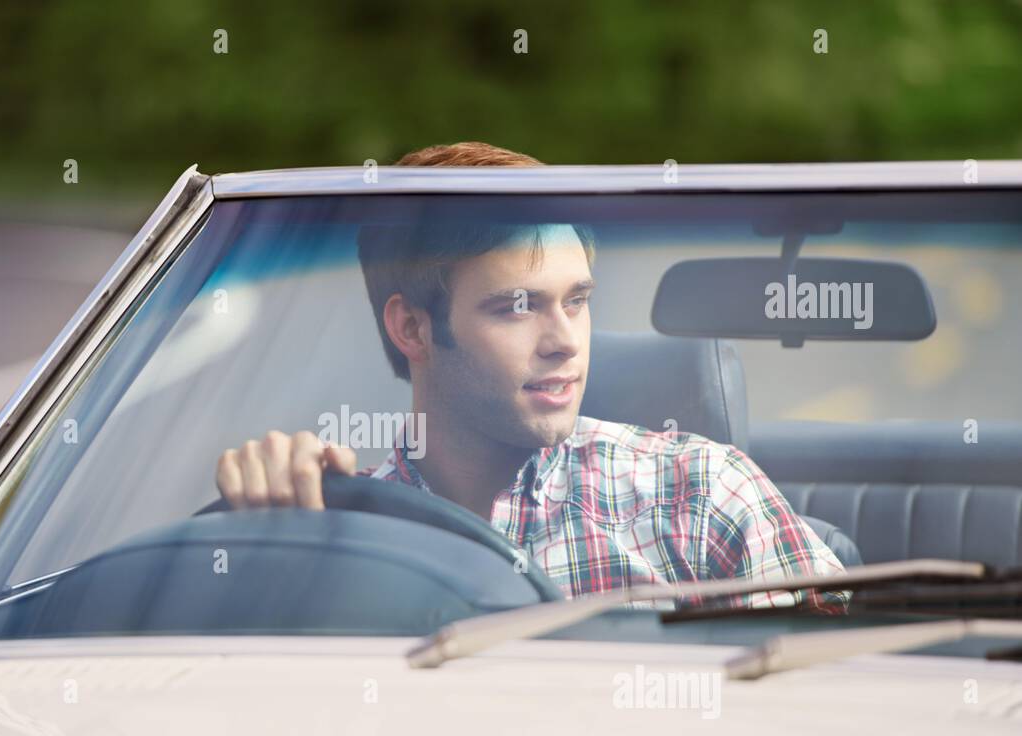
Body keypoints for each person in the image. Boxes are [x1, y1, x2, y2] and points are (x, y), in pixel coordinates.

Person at [214, 141, 845, 608]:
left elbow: (841, 714)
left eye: (577, 300)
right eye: (518, 308)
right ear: (412, 329)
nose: (565, 341)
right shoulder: (333, 532)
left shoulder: (701, 493)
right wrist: (266, 535)